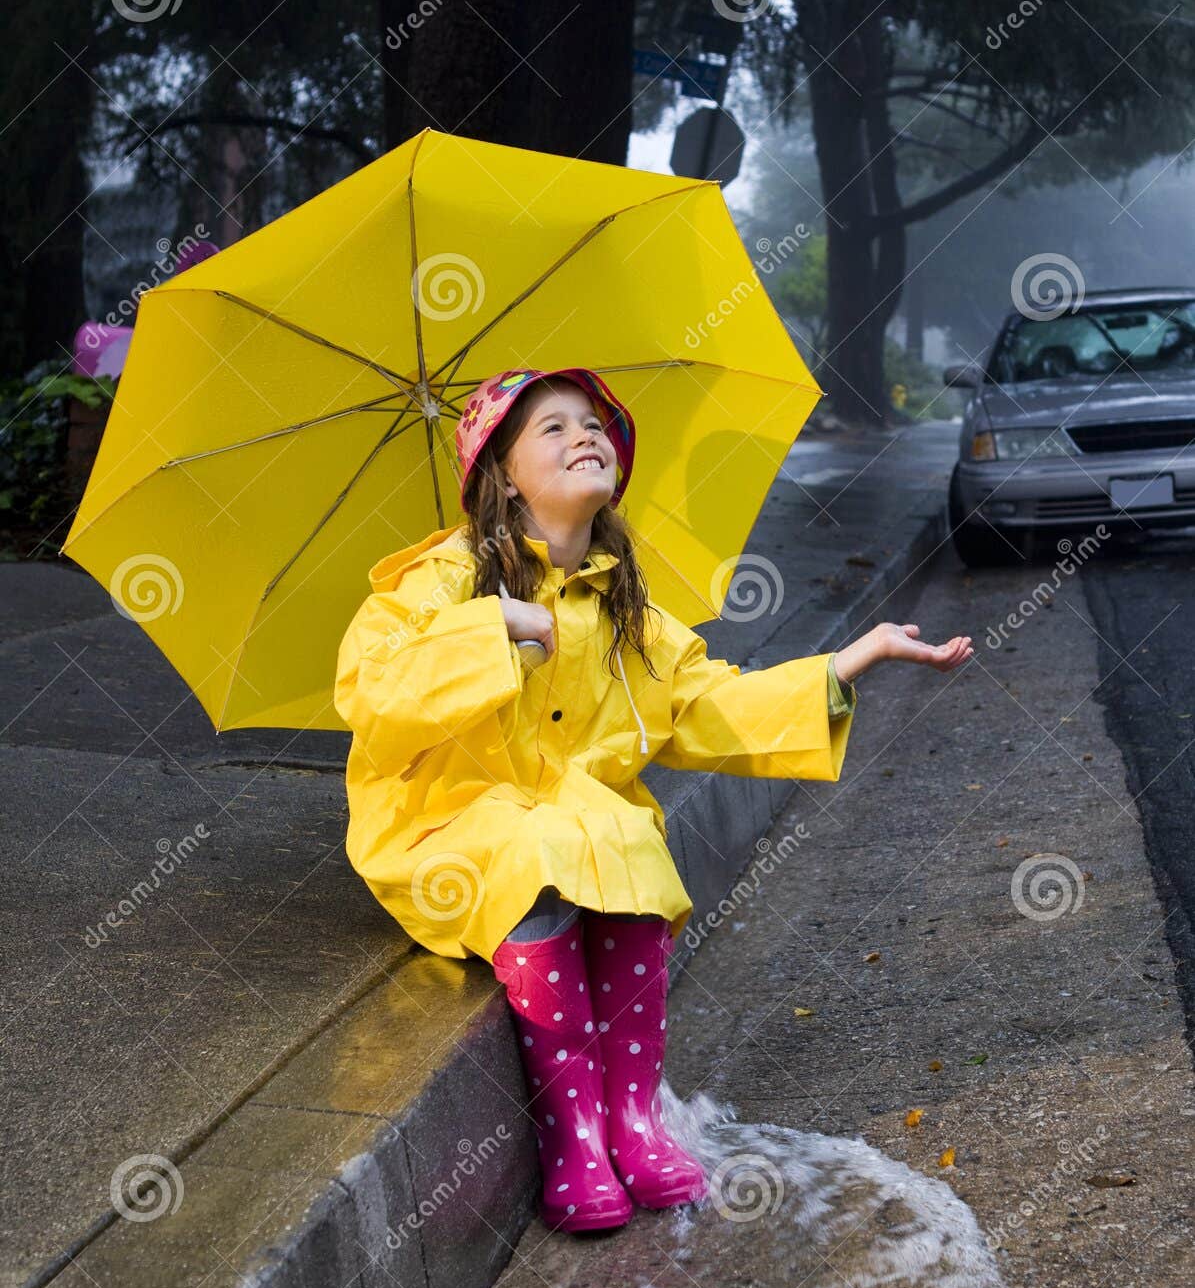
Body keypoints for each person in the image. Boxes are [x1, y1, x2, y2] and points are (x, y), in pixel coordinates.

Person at [333, 367, 972, 1235]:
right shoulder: (441, 581)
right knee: (541, 852)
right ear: (500, 474)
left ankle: (632, 1118)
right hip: (451, 817)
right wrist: (494, 627)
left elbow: (702, 702)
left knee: (628, 834)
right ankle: (574, 1135)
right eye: (551, 430)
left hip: (573, 820)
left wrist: (845, 663)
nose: (583, 435)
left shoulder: (619, 600)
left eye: (592, 424)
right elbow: (371, 690)